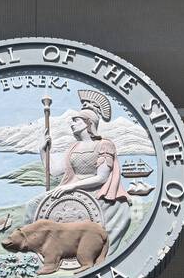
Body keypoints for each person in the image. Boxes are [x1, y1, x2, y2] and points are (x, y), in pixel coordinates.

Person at [23, 107, 131, 252]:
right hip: (72, 188)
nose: (72, 124)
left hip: (94, 191)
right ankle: (28, 245)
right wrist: (43, 150)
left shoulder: (105, 145)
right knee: (32, 204)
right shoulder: (74, 147)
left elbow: (102, 177)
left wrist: (70, 187)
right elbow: (55, 171)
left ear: (88, 123)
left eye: (76, 120)